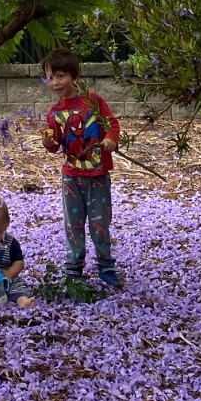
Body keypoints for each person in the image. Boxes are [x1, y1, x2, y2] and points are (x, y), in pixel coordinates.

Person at [41, 48, 121, 288]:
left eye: (60, 76)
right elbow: (54, 144)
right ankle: (73, 269)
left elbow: (112, 124)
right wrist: (48, 142)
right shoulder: (54, 112)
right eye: (50, 77)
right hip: (71, 178)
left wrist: (110, 139)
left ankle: (105, 266)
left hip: (97, 176)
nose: (55, 82)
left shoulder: (92, 100)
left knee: (100, 224)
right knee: (73, 226)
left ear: (74, 76)